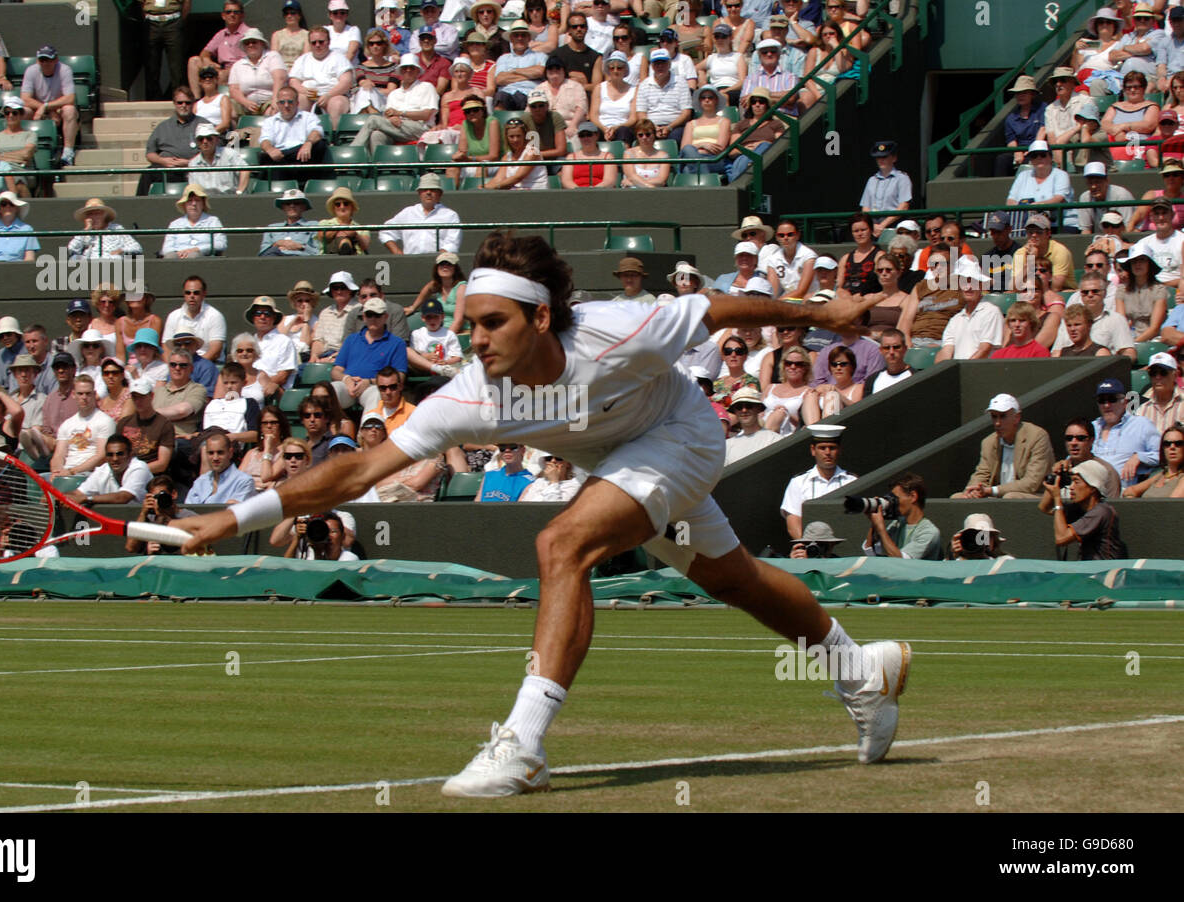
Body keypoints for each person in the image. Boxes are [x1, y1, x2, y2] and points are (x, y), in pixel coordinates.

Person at [177, 233, 909, 795]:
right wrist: (234, 516)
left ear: (541, 315)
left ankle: (523, 748)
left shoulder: (620, 328)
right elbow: (362, 468)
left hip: (680, 435)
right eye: (470, 324)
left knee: (562, 543)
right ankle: (860, 674)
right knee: (736, 581)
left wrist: (823, 314)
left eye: (493, 322)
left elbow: (716, 308)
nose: (476, 338)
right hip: (618, 463)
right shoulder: (474, 393)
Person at [954, 393, 1055, 500]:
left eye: (1003, 416)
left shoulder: (1037, 436)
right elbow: (982, 473)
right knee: (958, 498)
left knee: (1011, 497)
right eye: (994, 416)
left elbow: (1031, 483)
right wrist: (974, 490)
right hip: (998, 496)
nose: (997, 423)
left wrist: (992, 490)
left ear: (1017, 417)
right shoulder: (988, 442)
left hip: (1035, 496)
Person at [780, 424, 856, 541]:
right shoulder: (799, 482)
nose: (827, 452)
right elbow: (793, 522)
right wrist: (810, 547)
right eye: (822, 448)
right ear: (813, 450)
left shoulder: (852, 481)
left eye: (832, 448)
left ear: (839, 450)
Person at [1039, 459, 1127, 560]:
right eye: (1071, 482)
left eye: (1076, 482)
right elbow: (1045, 508)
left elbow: (1061, 539)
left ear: (1093, 487)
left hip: (1102, 572)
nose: (1071, 487)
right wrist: (1056, 481)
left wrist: (1057, 498)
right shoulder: (1080, 508)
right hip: (1086, 570)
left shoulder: (1102, 511)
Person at [330, 296, 407, 410]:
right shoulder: (351, 339)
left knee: (376, 395)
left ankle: (369, 427)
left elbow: (400, 377)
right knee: (329, 391)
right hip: (348, 386)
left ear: (385, 317)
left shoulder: (397, 343)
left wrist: (370, 381)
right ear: (364, 317)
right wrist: (346, 379)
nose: (373, 319)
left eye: (377, 315)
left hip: (373, 387)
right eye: (369, 315)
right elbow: (336, 370)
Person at [138, 87, 208, 198]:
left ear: (193, 104)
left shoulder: (203, 124)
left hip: (195, 170)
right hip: (168, 170)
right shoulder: (163, 127)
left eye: (187, 102)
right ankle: (140, 206)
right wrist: (162, 161)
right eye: (180, 102)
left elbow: (210, 151)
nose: (183, 105)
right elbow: (150, 153)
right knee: (148, 173)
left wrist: (189, 163)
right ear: (174, 104)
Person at [1093, 376, 1162, 487]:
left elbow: (1162, 454)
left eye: (1112, 399)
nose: (1106, 405)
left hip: (1123, 495)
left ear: (1124, 402)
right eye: (1102, 401)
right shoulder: (1092, 427)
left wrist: (1140, 457)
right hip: (1089, 493)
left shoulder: (1141, 425)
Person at [933, 257, 1003, 362]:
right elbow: (946, 351)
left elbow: (985, 349)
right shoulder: (955, 320)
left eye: (973, 282)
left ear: (981, 285)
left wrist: (964, 371)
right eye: (964, 282)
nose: (968, 287)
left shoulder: (991, 312)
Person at [862, 472, 942, 560]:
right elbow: (871, 551)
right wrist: (874, 523)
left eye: (896, 499)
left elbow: (902, 562)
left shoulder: (929, 532)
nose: (893, 503)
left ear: (913, 496)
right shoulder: (898, 524)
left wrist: (881, 528)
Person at [1052, 274, 1135, 358]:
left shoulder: (1116, 320)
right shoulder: (1070, 321)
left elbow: (1129, 353)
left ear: (1105, 293)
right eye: (1085, 292)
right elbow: (1056, 352)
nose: (1090, 295)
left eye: (1095, 291)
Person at [20, 45, 78, 165]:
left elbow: (70, 98)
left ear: (56, 60)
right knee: (23, 111)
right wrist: (45, 109)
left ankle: (68, 153)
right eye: (42, 60)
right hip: (38, 110)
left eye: (49, 60)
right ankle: (22, 151)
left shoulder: (65, 70)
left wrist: (46, 107)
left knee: (70, 110)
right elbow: (25, 98)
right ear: (37, 61)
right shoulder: (31, 71)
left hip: (58, 110)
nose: (45, 63)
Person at [380, 173, 462, 255]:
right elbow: (385, 232)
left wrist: (436, 258)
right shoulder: (408, 212)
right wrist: (397, 252)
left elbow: (453, 243)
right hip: (410, 263)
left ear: (440, 194)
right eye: (425, 189)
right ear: (419, 193)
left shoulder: (450, 216)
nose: (428, 192)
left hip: (439, 264)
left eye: (433, 189)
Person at [259, 84, 326, 180]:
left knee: (319, 144)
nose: (286, 105)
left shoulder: (309, 117)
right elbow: (265, 140)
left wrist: (308, 143)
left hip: (303, 158)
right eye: (282, 102)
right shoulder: (270, 121)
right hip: (280, 159)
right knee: (268, 156)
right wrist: (270, 149)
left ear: (297, 103)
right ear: (277, 104)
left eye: (290, 102)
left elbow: (317, 132)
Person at [66, 435, 152, 507]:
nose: (115, 459)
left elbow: (123, 497)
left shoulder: (140, 468)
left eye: (120, 454)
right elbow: (77, 494)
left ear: (130, 455)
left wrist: (86, 498)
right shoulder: (102, 470)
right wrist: (60, 498)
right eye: (110, 455)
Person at [288, 24, 352, 117]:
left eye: (321, 42)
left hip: (333, 95)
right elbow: (293, 81)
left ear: (328, 42)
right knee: (298, 102)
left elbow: (346, 82)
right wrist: (303, 90)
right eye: (314, 42)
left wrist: (329, 95)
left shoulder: (339, 58)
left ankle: (333, 131)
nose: (317, 45)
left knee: (337, 104)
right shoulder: (303, 59)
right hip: (308, 96)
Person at [189, 0, 249, 96]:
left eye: (236, 12)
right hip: (221, 69)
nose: (232, 15)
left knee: (221, 74)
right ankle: (196, 100)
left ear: (242, 15)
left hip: (240, 70)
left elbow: (250, 60)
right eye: (228, 12)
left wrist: (229, 71)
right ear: (223, 15)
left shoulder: (248, 33)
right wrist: (208, 61)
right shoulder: (221, 34)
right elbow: (205, 52)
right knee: (194, 61)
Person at [124, 475, 195, 555]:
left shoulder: (189, 518)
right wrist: (143, 514)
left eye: (163, 496)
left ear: (173, 494)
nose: (160, 500)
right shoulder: (148, 519)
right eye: (155, 497)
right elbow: (130, 548)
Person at [636, 47, 692, 140]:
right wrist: (654, 128)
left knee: (676, 136)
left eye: (663, 63)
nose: (660, 66)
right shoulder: (644, 85)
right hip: (650, 127)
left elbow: (686, 113)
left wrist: (669, 127)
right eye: (656, 63)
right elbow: (641, 113)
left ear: (669, 64)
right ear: (652, 66)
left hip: (676, 126)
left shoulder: (681, 82)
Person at [185, 432, 256, 504]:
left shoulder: (244, 481)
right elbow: (189, 510)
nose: (215, 458)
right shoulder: (201, 481)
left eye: (220, 453)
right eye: (211, 453)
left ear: (230, 453)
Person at [860, 140, 913, 236]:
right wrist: (874, 225)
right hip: (873, 228)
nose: (881, 160)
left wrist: (883, 225)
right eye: (878, 157)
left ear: (894, 158)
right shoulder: (872, 180)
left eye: (884, 157)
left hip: (895, 227)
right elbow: (865, 207)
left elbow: (903, 206)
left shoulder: (902, 178)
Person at [230, 27, 286, 116]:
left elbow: (280, 79)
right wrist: (245, 102)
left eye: (254, 42)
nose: (250, 45)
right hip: (247, 104)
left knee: (273, 112)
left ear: (262, 44)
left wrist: (275, 100)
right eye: (247, 43)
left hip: (270, 101)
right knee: (229, 107)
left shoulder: (272, 56)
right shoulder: (237, 65)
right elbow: (234, 89)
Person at [161, 184, 226, 259]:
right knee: (170, 256)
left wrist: (197, 249)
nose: (194, 204)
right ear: (184, 204)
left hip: (203, 258)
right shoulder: (175, 224)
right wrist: (179, 253)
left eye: (197, 200)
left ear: (203, 203)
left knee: (193, 256)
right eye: (189, 201)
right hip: (178, 257)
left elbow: (221, 244)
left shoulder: (213, 221)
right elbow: (166, 248)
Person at [67, 197, 143, 260]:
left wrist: (121, 251)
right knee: (74, 259)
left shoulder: (117, 229)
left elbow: (137, 248)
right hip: (90, 267)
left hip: (113, 265)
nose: (94, 217)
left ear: (104, 215)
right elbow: (71, 249)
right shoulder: (84, 233)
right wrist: (86, 230)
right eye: (90, 214)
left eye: (97, 213)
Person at [723, 386, 781, 466]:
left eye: (748, 406)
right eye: (739, 407)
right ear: (735, 411)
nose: (744, 410)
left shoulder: (774, 439)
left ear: (758, 408)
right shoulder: (727, 445)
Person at [1123, 421, 1184, 497]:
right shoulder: (1161, 475)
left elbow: (1171, 505)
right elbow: (1129, 491)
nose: (1172, 447)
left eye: (1178, 443)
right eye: (1167, 444)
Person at [188, 123, 250, 196]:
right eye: (201, 139)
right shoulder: (193, 163)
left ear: (216, 139)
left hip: (229, 200)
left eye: (209, 138)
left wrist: (239, 192)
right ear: (197, 142)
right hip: (206, 203)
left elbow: (245, 170)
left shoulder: (229, 154)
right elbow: (193, 189)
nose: (205, 142)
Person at [1077, 162, 1136, 235]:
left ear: (1107, 181)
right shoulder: (1084, 198)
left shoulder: (1121, 195)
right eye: (1090, 183)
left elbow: (1127, 229)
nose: (1093, 186)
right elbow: (1085, 230)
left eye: (1097, 182)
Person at [258, 188, 320, 257]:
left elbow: (319, 252)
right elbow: (262, 254)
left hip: (301, 261)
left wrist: (300, 247)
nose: (292, 206)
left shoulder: (314, 225)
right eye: (287, 203)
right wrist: (277, 244)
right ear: (283, 207)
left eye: (296, 203)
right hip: (275, 262)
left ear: (303, 207)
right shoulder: (271, 228)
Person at [863, 328, 912, 397]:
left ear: (905, 349)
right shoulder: (872, 380)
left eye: (896, 347)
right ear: (881, 350)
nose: (891, 352)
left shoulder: (915, 377)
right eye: (886, 348)